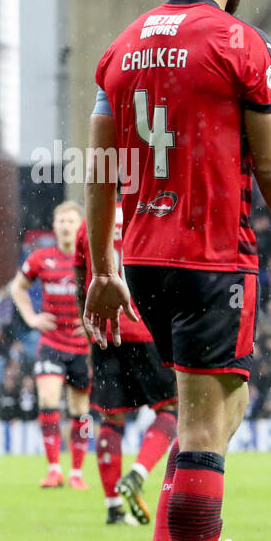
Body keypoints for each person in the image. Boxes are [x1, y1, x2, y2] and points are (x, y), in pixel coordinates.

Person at [84, 0, 271, 541]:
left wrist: (103, 264)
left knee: (216, 413)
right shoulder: (243, 44)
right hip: (211, 256)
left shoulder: (122, 45)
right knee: (206, 425)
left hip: (142, 259)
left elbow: (102, 170)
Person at [72, 213, 178, 525]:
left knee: (111, 415)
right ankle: (137, 473)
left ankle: (113, 507)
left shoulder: (87, 222)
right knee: (171, 407)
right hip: (142, 323)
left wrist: (87, 320)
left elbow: (81, 280)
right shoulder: (147, 211)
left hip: (104, 325)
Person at [10, 202, 91, 489]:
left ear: (82, 225)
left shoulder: (92, 259)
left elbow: (111, 290)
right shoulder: (41, 258)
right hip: (52, 342)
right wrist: (31, 317)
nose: (66, 226)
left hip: (83, 346)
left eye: (71, 221)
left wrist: (95, 322)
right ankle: (54, 468)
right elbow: (16, 287)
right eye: (61, 221)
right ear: (54, 226)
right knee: (47, 399)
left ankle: (77, 473)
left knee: (79, 409)